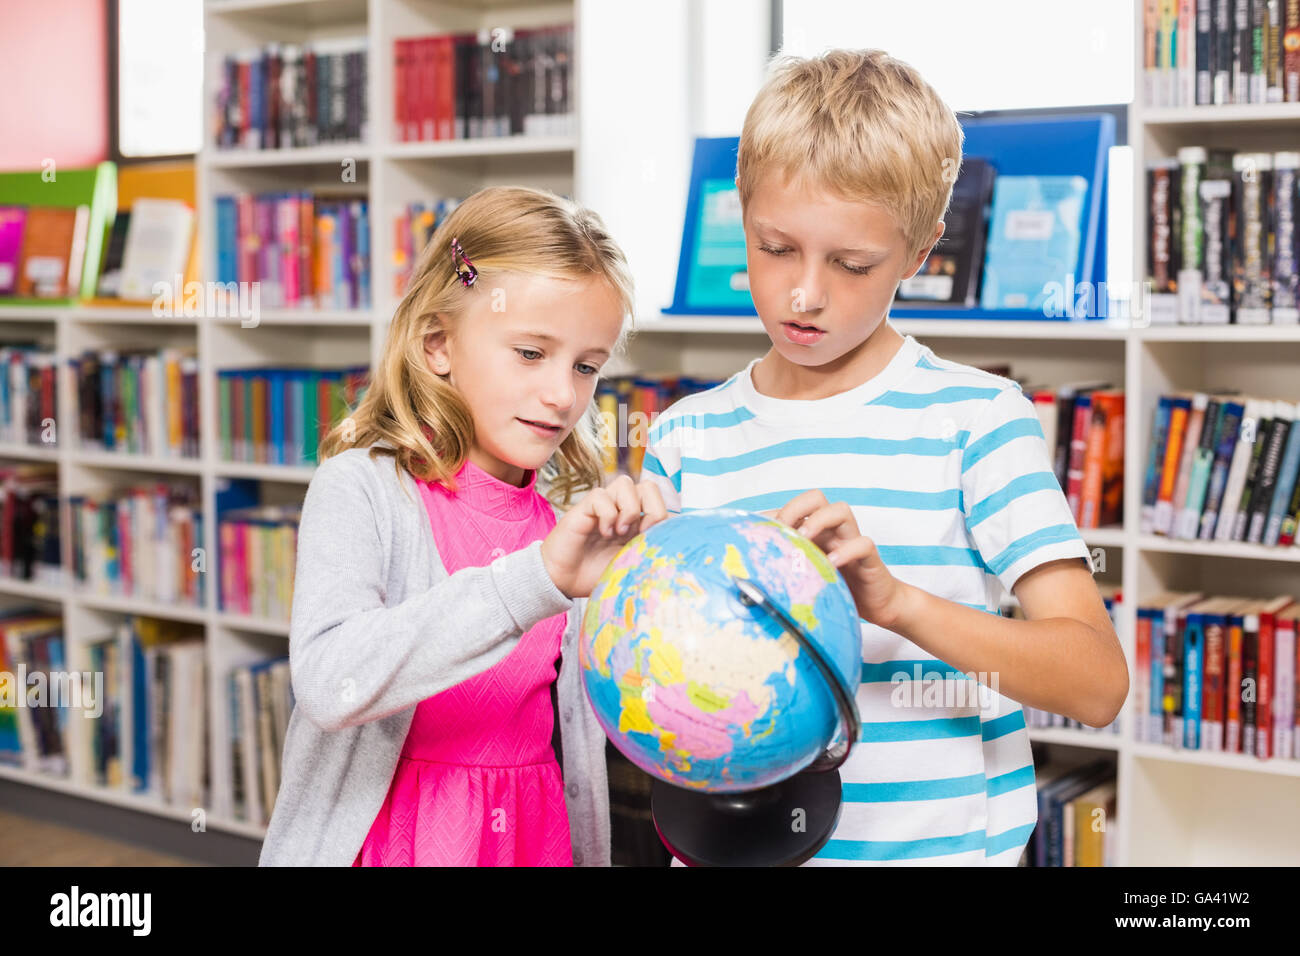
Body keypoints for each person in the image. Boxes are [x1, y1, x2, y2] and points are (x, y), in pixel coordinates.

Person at [640, 50, 1128, 866]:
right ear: (742, 213)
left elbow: (1096, 684)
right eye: (775, 248)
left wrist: (896, 603)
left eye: (852, 264)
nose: (805, 294)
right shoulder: (685, 438)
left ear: (921, 250)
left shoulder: (978, 422)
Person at [259, 186, 668, 866]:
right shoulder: (363, 488)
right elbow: (331, 682)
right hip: (398, 841)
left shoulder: (571, 514)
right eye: (531, 353)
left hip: (531, 838)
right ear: (438, 345)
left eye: (587, 366)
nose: (563, 394)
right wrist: (536, 579)